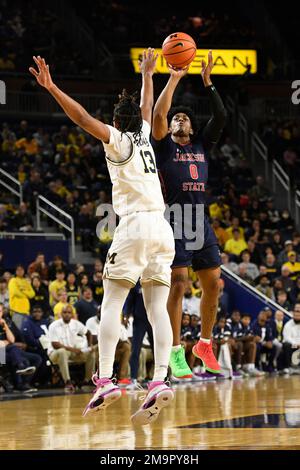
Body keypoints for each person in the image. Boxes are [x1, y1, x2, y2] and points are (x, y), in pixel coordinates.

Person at [30, 50, 175, 424]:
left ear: (114, 121)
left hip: (135, 226)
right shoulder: (143, 133)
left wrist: (52, 87)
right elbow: (146, 106)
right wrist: (147, 74)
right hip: (163, 228)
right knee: (157, 308)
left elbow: (80, 117)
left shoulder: (119, 140)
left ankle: (107, 378)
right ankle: (160, 379)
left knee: (112, 302)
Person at [151, 51, 227, 379]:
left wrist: (208, 81)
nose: (179, 120)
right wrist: (174, 79)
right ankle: (175, 349)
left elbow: (221, 116)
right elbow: (157, 116)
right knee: (179, 283)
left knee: (215, 284)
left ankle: (204, 344)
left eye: (185, 118)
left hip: (200, 220)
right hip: (173, 219)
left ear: (193, 128)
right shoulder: (165, 147)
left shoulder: (201, 146)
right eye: (176, 118)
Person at [48, 305, 95, 392]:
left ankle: (87, 380)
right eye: (65, 312)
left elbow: (88, 332)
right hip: (55, 354)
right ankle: (67, 382)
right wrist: (73, 350)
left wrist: (90, 345)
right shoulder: (54, 325)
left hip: (72, 353)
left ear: (72, 314)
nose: (67, 315)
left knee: (91, 353)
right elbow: (55, 345)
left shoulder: (76, 323)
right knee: (62, 351)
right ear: (61, 314)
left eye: (69, 313)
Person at [282, 303, 300, 373]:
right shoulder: (288, 325)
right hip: (292, 345)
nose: (297, 317)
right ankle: (288, 367)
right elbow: (287, 338)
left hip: (299, 345)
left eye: (299, 316)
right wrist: (296, 344)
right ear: (293, 316)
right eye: (296, 315)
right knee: (287, 345)